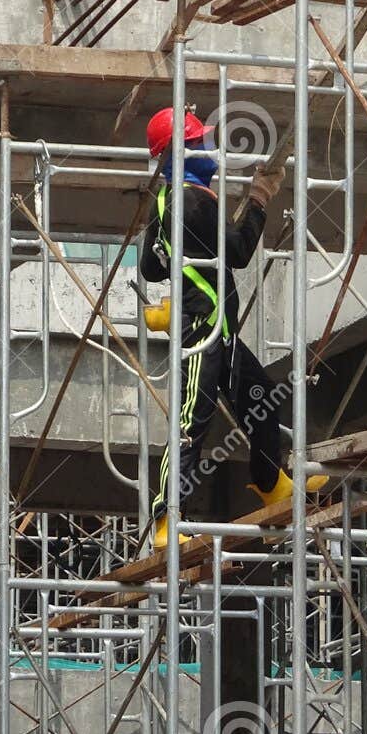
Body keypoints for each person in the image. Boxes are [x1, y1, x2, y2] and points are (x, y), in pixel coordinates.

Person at [139, 107, 325, 550]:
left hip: (215, 328)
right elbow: (239, 251)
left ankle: (269, 481)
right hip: (203, 333)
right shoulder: (194, 201)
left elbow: (149, 266)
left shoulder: (166, 201)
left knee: (259, 396)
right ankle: (167, 519)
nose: (209, 148)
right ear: (179, 154)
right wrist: (260, 197)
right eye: (199, 142)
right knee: (190, 425)